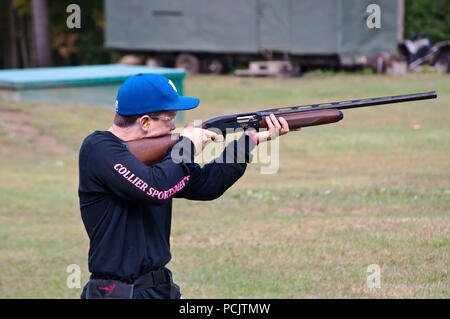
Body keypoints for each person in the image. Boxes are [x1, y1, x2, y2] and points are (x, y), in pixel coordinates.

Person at [78, 73, 296, 299]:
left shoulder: (161, 159)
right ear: (144, 121)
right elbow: (156, 189)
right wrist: (186, 146)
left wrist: (248, 141)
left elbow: (207, 185)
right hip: (117, 293)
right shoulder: (99, 148)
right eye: (170, 118)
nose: (175, 125)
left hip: (160, 288)